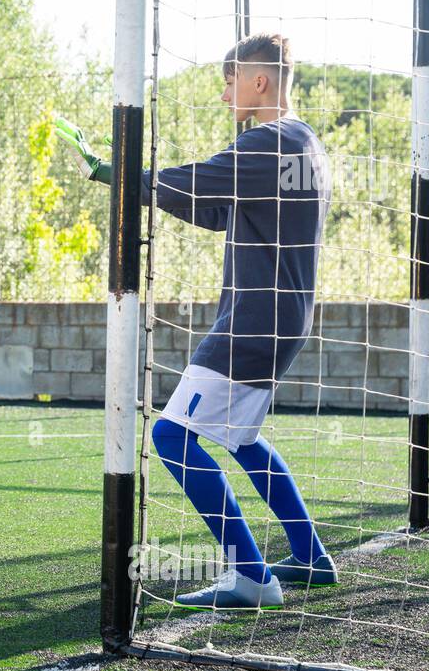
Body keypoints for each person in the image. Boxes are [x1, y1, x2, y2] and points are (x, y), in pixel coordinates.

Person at [57, 33, 336, 609]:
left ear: (258, 80)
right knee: (244, 437)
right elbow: (212, 208)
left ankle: (252, 578)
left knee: (170, 436)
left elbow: (191, 181)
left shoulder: (265, 141)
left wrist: (112, 169)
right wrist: (124, 177)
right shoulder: (305, 142)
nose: (225, 92)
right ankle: (310, 554)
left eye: (230, 80)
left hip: (253, 316)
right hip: (284, 315)